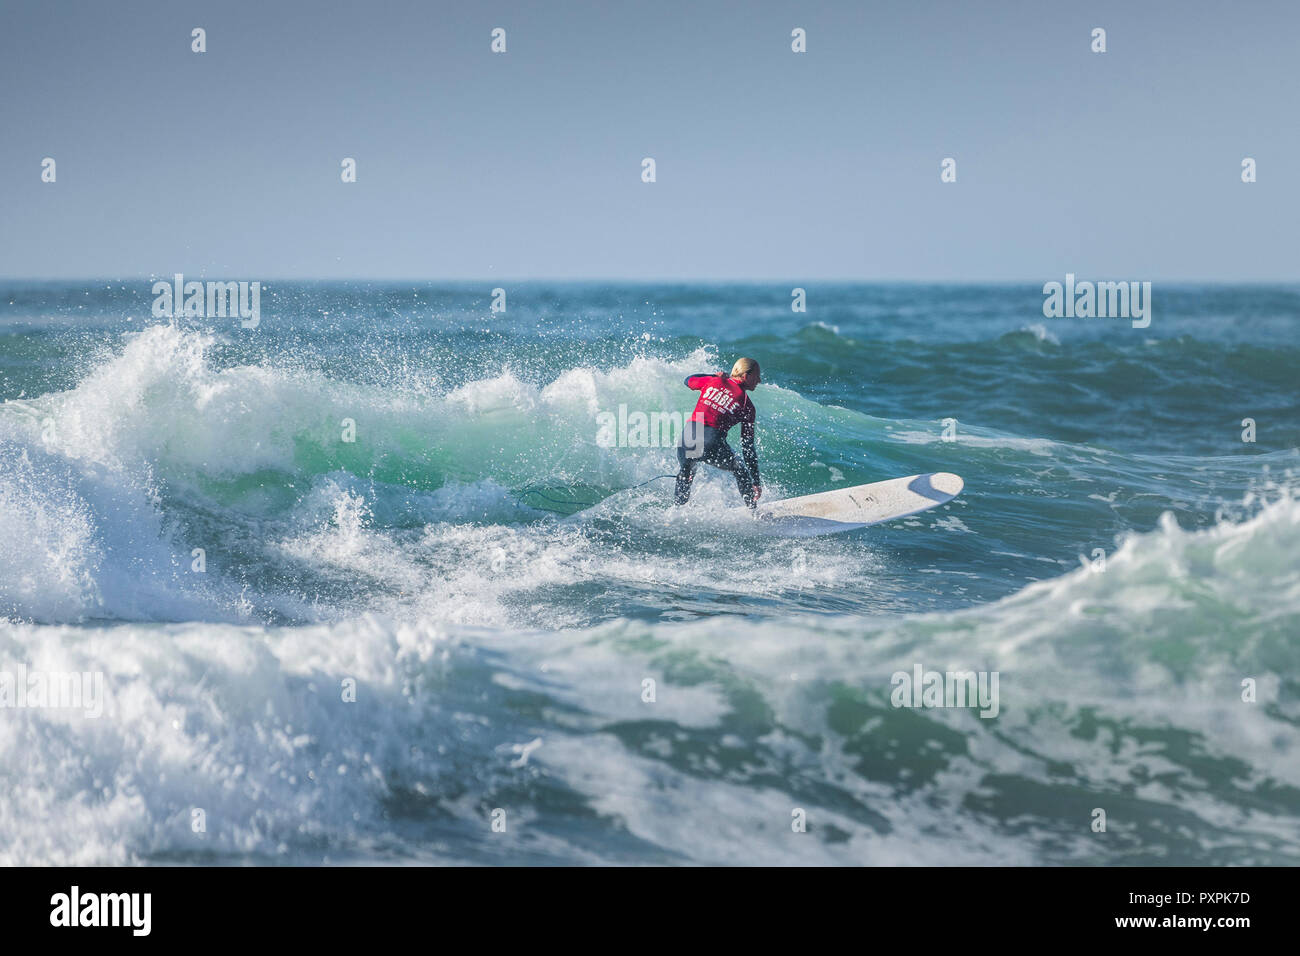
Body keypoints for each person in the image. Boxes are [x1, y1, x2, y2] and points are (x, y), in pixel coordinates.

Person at [674, 357, 762, 510]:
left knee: (686, 473)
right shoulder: (747, 405)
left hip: (686, 439)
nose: (759, 380)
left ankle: (675, 512)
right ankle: (753, 512)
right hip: (710, 442)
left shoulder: (713, 381)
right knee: (739, 468)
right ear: (746, 376)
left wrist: (714, 376)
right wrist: (755, 481)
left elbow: (688, 380)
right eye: (757, 376)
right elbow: (747, 447)